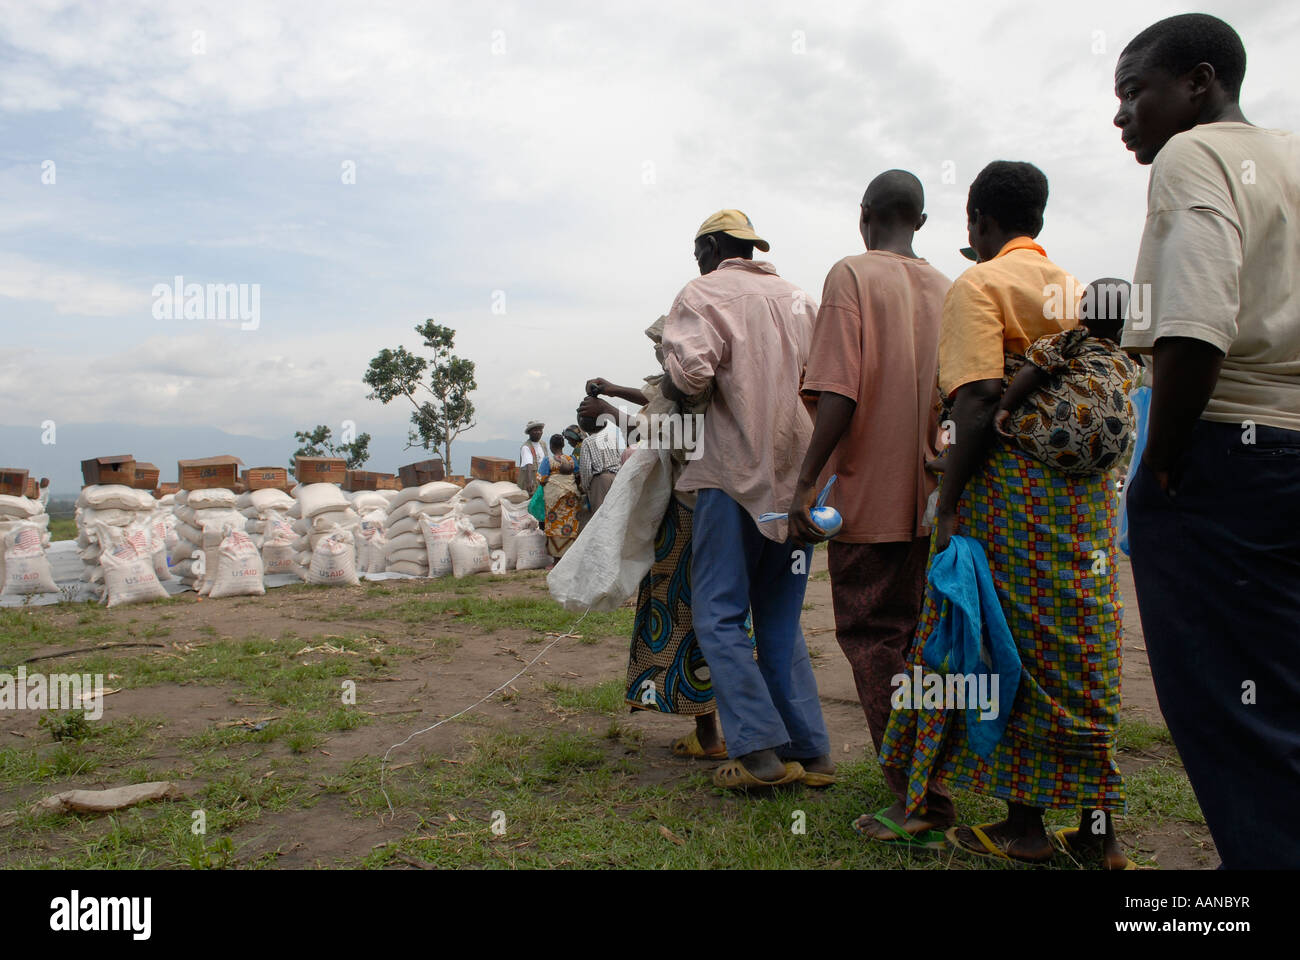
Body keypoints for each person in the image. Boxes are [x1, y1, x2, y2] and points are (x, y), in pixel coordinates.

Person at [877, 162, 1131, 867]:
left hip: (1009, 494)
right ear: (1038, 221)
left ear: (978, 221)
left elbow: (979, 400)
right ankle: (1093, 832)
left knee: (991, 636)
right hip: (1084, 504)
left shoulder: (980, 284)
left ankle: (981, 817)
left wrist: (949, 502)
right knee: (1079, 641)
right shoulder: (1076, 290)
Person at [1115, 13, 1300, 868]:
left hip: (1231, 451)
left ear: (1196, 83)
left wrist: (1161, 466)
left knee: (1232, 706)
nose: (1121, 118)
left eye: (1132, 93)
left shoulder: (1197, 156)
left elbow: (1192, 324)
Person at [787, 170, 954, 839]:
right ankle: (931, 783)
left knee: (873, 642)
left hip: (870, 498)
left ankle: (918, 802)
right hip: (935, 503)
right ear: (920, 219)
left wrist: (804, 483)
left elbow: (839, 393)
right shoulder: (949, 287)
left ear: (865, 216)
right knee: (920, 645)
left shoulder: (850, 276)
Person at [660, 208, 834, 790]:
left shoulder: (703, 294)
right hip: (798, 484)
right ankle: (811, 754)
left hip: (732, 479)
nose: (696, 261)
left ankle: (758, 751)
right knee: (780, 618)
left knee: (719, 614)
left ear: (711, 246)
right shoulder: (801, 301)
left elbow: (691, 377)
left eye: (696, 249)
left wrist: (666, 363)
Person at [585, 362, 726, 761]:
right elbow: (660, 398)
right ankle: (735, 729)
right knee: (717, 616)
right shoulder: (727, 384)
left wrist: (611, 414)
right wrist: (614, 390)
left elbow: (678, 436)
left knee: (684, 616)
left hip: (687, 515)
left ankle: (710, 734)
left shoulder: (704, 399)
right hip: (713, 513)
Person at [992, 278, 1140, 475]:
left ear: (1083, 311)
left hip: (1059, 441)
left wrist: (1004, 408)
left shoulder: (1073, 339)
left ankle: (970, 448)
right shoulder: (1128, 357)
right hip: (1109, 455)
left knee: (1002, 370)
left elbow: (1034, 369)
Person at [575, 404, 625, 515]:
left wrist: (586, 487)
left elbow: (586, 470)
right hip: (616, 478)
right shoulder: (612, 437)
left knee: (600, 517)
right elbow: (618, 458)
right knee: (615, 514)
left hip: (600, 481)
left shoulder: (587, 442)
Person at [536, 434, 580, 559]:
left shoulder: (548, 461)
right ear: (563, 445)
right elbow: (577, 473)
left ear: (550, 446)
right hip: (571, 497)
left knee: (554, 525)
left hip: (554, 499)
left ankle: (556, 558)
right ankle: (569, 557)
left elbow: (542, 479)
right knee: (570, 524)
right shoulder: (571, 459)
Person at [519, 421, 546, 494]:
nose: (538, 432)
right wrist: (529, 482)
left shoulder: (543, 444)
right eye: (535, 430)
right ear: (529, 432)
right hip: (532, 480)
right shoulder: (526, 447)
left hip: (541, 480)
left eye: (540, 430)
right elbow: (529, 465)